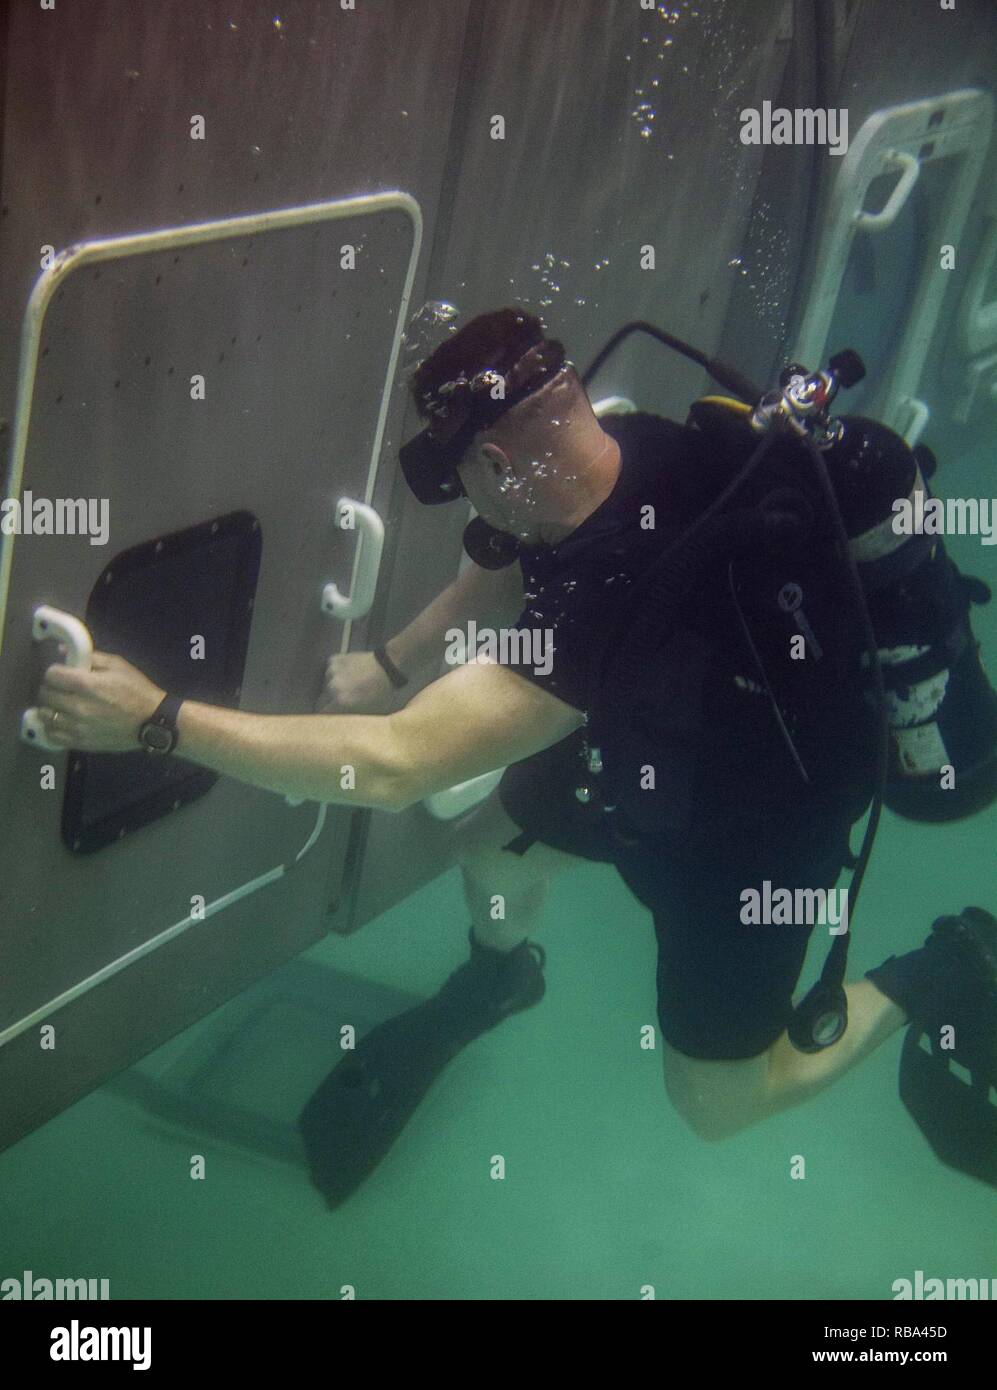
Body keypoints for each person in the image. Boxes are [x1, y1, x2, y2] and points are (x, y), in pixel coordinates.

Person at [37, 307, 995, 1205]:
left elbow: (394, 766)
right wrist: (390, 660)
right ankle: (499, 976)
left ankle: (935, 971)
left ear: (498, 457)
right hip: (658, 758)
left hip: (748, 846)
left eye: (468, 481)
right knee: (492, 850)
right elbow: (501, 564)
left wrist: (155, 719)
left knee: (717, 1106)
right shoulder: (641, 446)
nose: (475, 508)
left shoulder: (606, 597)